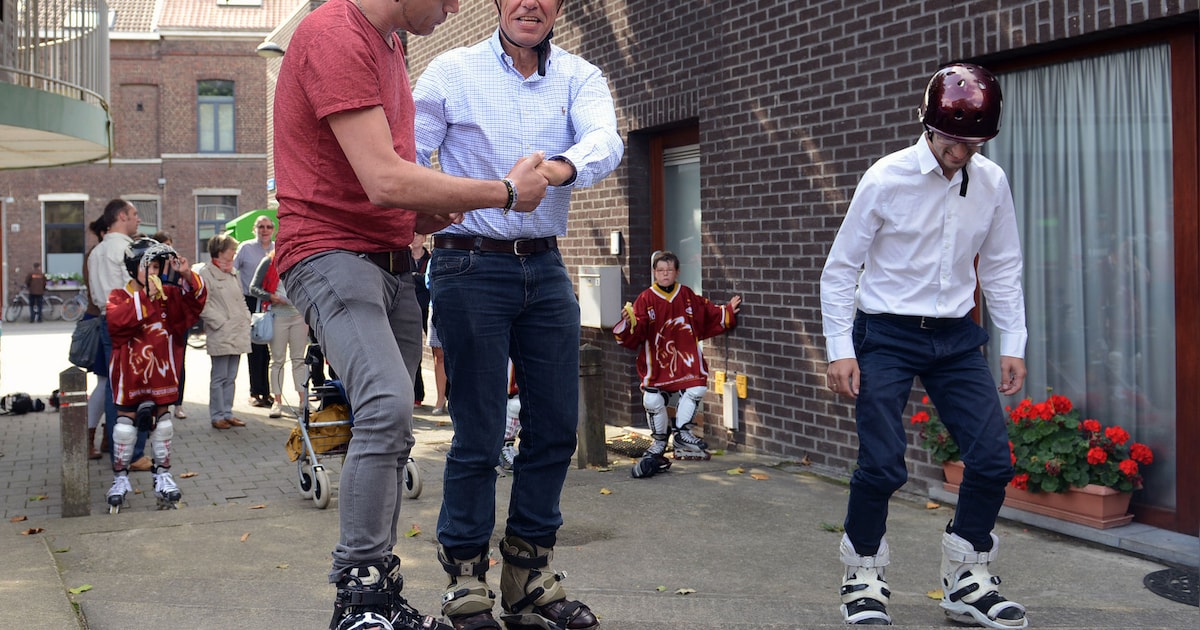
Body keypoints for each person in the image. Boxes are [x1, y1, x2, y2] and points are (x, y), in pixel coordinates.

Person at [271, 1, 551, 628]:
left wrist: (426, 214)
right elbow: (384, 180)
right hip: (328, 250)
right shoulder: (335, 35)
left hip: (390, 257)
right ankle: (358, 596)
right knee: (387, 404)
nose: (456, 7)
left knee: (394, 429)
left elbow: (392, 188)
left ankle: (379, 592)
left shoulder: (391, 45)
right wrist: (502, 193)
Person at [413, 1, 623, 627]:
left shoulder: (579, 76)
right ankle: (466, 579)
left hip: (545, 264)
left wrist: (557, 168)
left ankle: (529, 576)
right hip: (467, 265)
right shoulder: (450, 72)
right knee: (478, 433)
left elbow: (605, 140)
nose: (530, 2)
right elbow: (409, 161)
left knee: (556, 425)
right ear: (499, 4)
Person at [820, 63, 1029, 628]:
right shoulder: (885, 178)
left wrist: (1013, 341)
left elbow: (1004, 265)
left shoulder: (992, 182)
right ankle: (862, 574)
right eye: (953, 140)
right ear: (928, 125)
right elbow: (841, 270)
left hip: (956, 336)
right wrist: (840, 347)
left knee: (991, 460)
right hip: (884, 333)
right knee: (884, 464)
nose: (962, 152)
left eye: (974, 143)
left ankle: (967, 577)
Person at [612, 251, 742, 479]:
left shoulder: (687, 295)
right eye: (661, 270)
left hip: (685, 358)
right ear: (654, 272)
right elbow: (636, 330)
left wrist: (727, 311)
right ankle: (659, 442)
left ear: (677, 272)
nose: (665, 274)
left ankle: (683, 433)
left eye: (669, 270)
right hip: (657, 361)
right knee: (652, 398)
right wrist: (628, 320)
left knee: (697, 386)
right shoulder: (645, 298)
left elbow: (707, 312)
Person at [104, 238, 207, 512]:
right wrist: (145, 297)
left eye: (158, 267)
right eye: (148, 266)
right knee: (124, 428)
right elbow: (117, 323)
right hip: (131, 374)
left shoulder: (169, 295)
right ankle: (120, 478)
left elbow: (194, 305)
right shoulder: (119, 296)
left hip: (161, 372)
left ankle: (163, 474)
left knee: (163, 425)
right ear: (133, 268)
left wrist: (186, 274)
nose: (154, 273)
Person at [88, 199, 151, 471]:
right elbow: (145, 286)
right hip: (129, 318)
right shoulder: (128, 249)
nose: (138, 220)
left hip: (105, 318)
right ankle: (131, 454)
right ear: (122, 216)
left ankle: (119, 450)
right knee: (133, 389)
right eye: (135, 214)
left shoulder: (96, 252)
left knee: (116, 387)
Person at [199, 235, 252, 430]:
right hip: (222, 332)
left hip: (237, 331)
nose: (234, 253)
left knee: (231, 377)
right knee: (219, 376)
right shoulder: (207, 273)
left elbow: (241, 298)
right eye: (232, 250)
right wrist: (220, 322)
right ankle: (217, 415)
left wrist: (246, 317)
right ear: (220, 251)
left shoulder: (232, 272)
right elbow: (203, 305)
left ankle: (228, 413)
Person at [249, 251, 309, 418]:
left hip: (299, 316)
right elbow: (253, 288)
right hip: (277, 316)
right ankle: (277, 401)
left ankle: (303, 401)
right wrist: (272, 297)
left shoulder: (299, 258)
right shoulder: (268, 261)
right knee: (277, 361)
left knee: (299, 359)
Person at [233, 215, 275, 408]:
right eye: (261, 226)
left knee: (271, 350)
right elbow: (232, 270)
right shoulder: (246, 248)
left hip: (274, 303)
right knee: (255, 348)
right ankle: (256, 392)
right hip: (251, 301)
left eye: (268, 226)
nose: (264, 230)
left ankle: (269, 393)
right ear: (254, 229)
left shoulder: (277, 249)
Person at [83, 217, 112, 459]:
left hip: (102, 319)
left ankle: (105, 438)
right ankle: (89, 438)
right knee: (105, 384)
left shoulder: (97, 253)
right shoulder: (100, 254)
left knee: (107, 384)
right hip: (102, 321)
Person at [153, 231, 189, 420]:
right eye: (164, 246)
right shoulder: (152, 268)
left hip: (178, 320)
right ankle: (160, 401)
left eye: (170, 245)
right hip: (159, 320)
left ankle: (178, 403)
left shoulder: (178, 266)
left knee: (179, 361)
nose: (168, 250)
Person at [410, 234, 432, 407]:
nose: (413, 239)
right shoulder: (404, 259)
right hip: (410, 308)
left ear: (424, 238)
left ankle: (445, 394)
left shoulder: (429, 258)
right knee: (413, 351)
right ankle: (417, 394)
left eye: (417, 235)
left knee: (439, 352)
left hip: (427, 308)